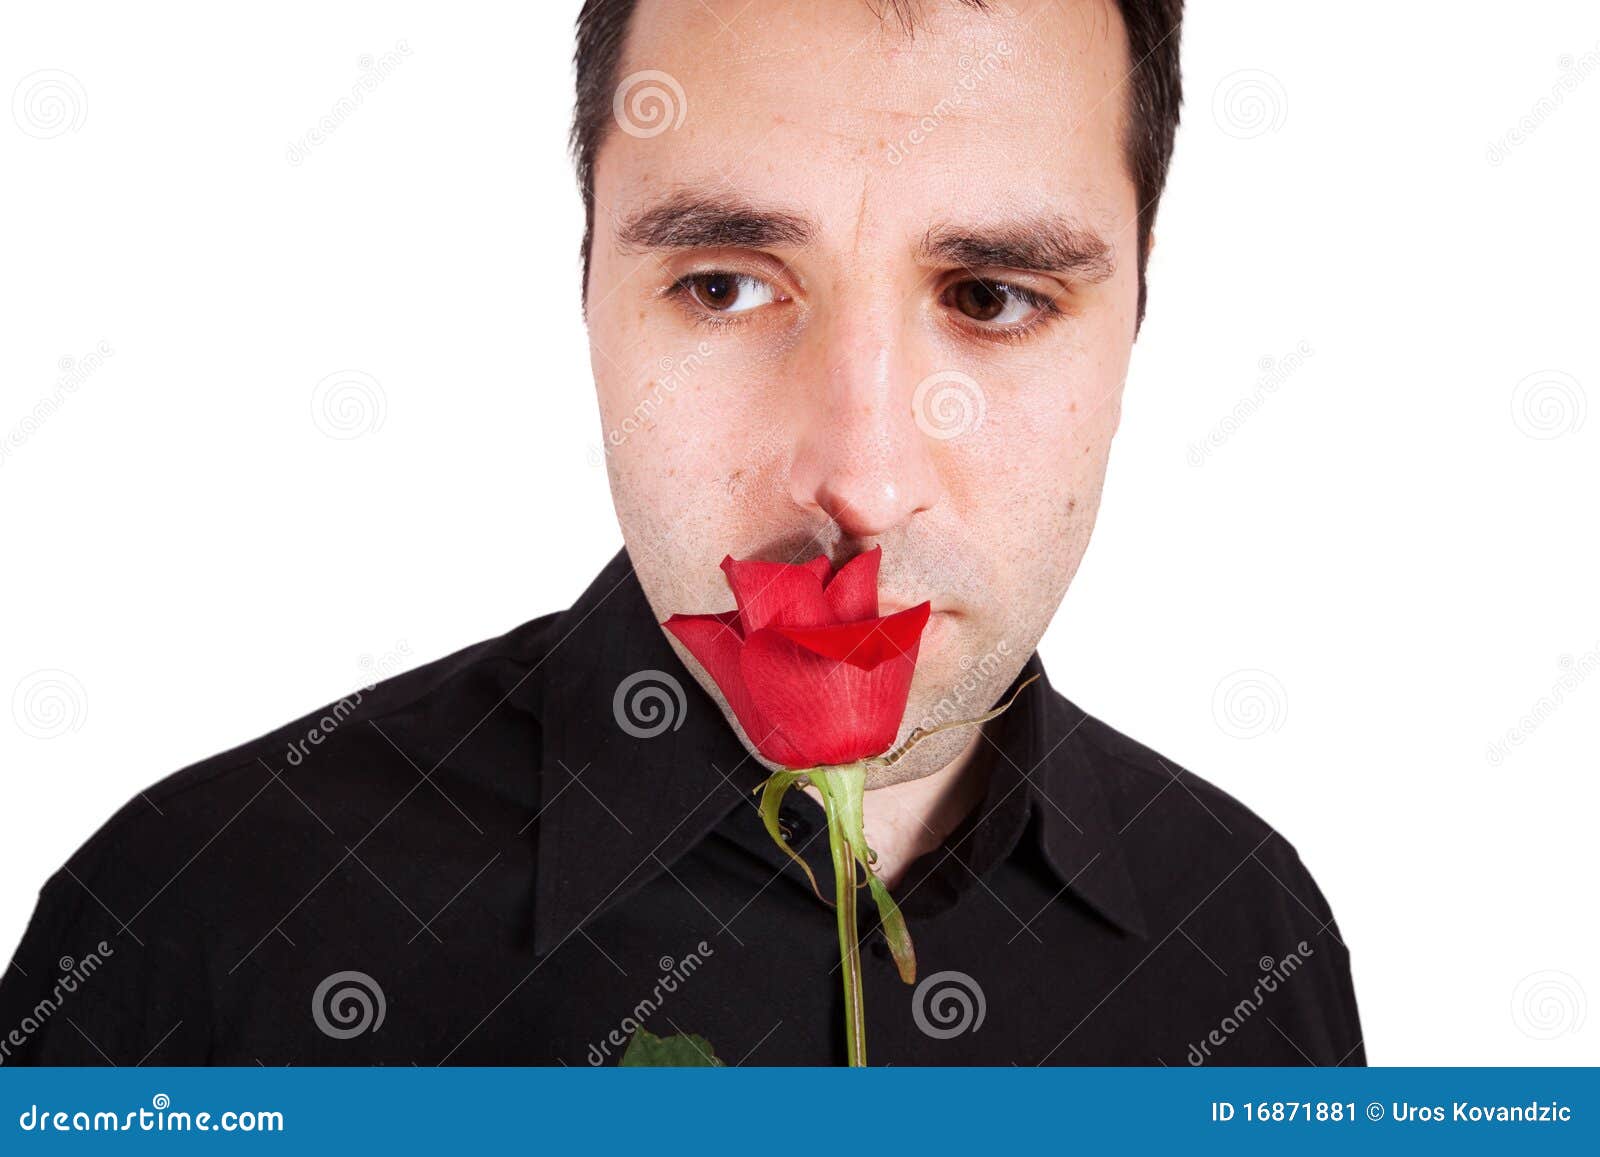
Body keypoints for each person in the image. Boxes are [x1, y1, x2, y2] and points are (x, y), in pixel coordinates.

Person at [0, 0, 1363, 1066]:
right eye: (723, 285)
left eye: (994, 298)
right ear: (586, 289)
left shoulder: (1251, 940)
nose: (860, 479)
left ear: (1136, 324)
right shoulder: (192, 923)